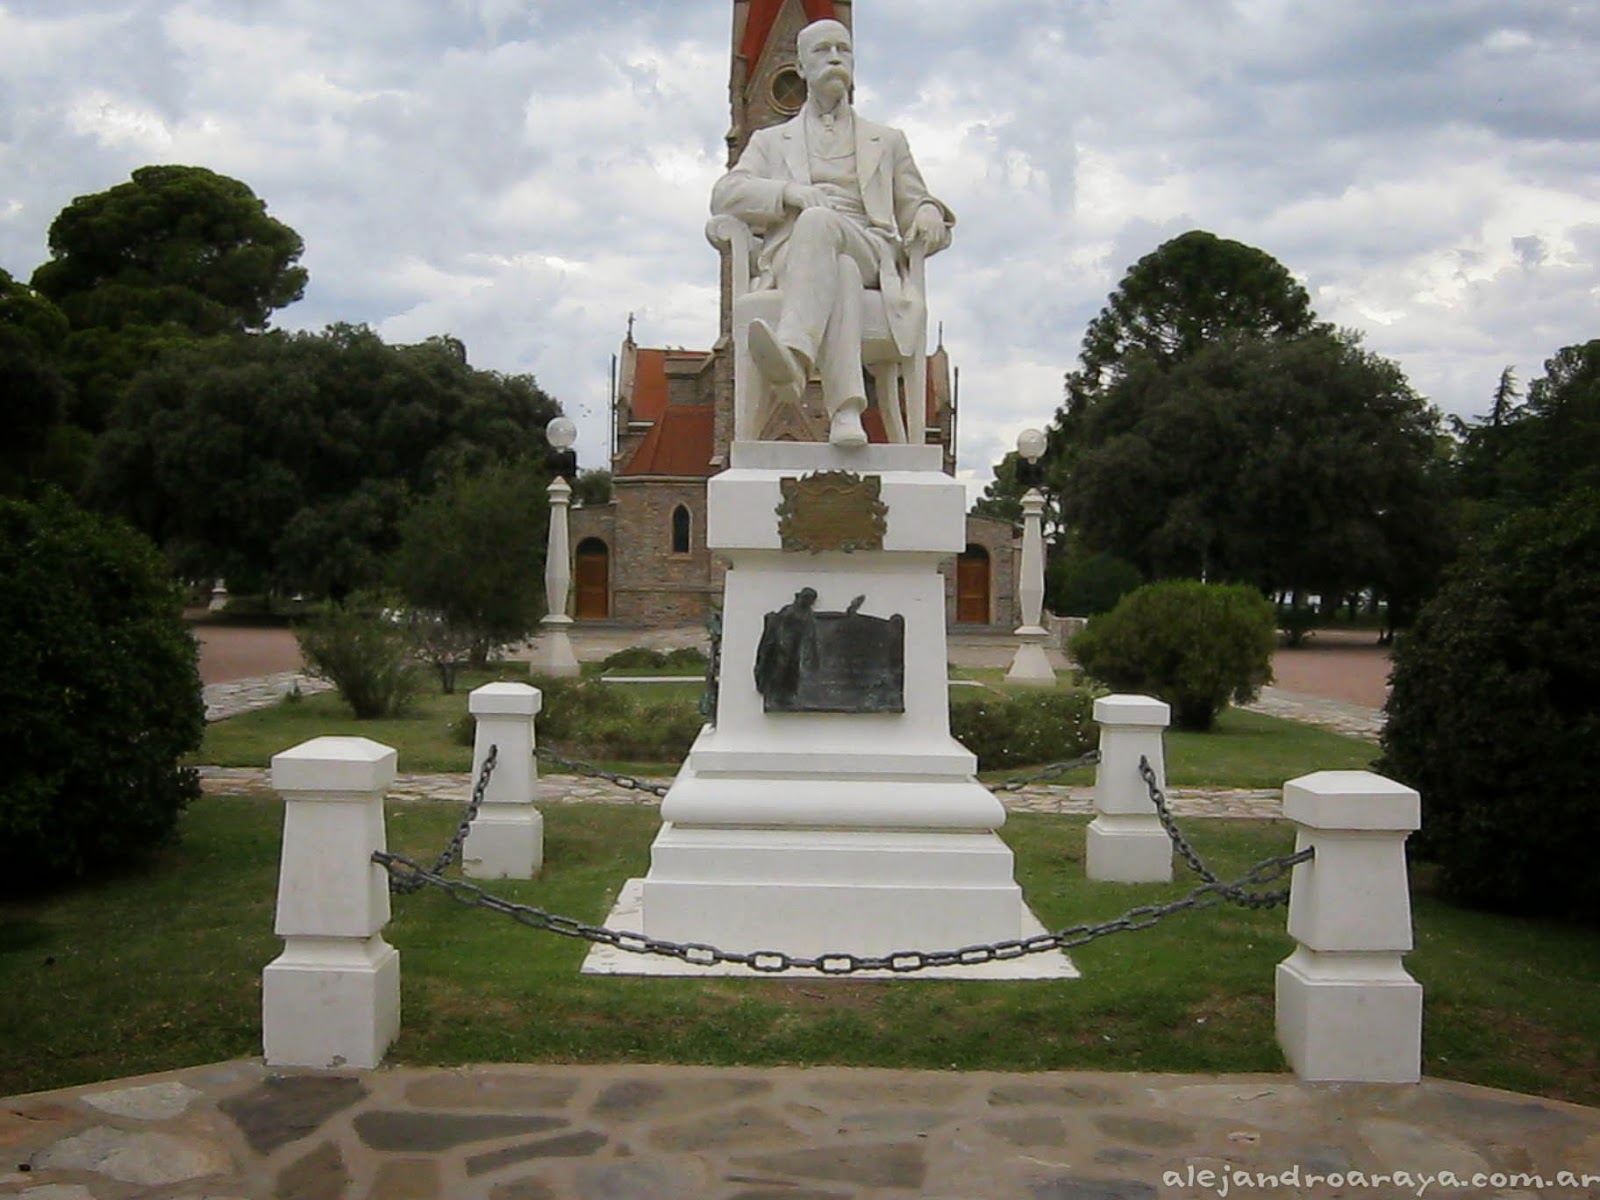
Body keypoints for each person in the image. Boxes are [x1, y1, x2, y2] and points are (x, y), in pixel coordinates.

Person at [711, 19, 954, 447]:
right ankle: (846, 412)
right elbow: (726, 195)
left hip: (869, 247)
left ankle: (793, 354)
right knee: (835, 262)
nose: (836, 58)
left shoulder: (888, 140)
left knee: (824, 227)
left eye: (844, 49)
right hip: (797, 258)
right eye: (823, 50)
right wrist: (790, 193)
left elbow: (916, 201)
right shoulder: (771, 141)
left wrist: (930, 212)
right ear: (801, 68)